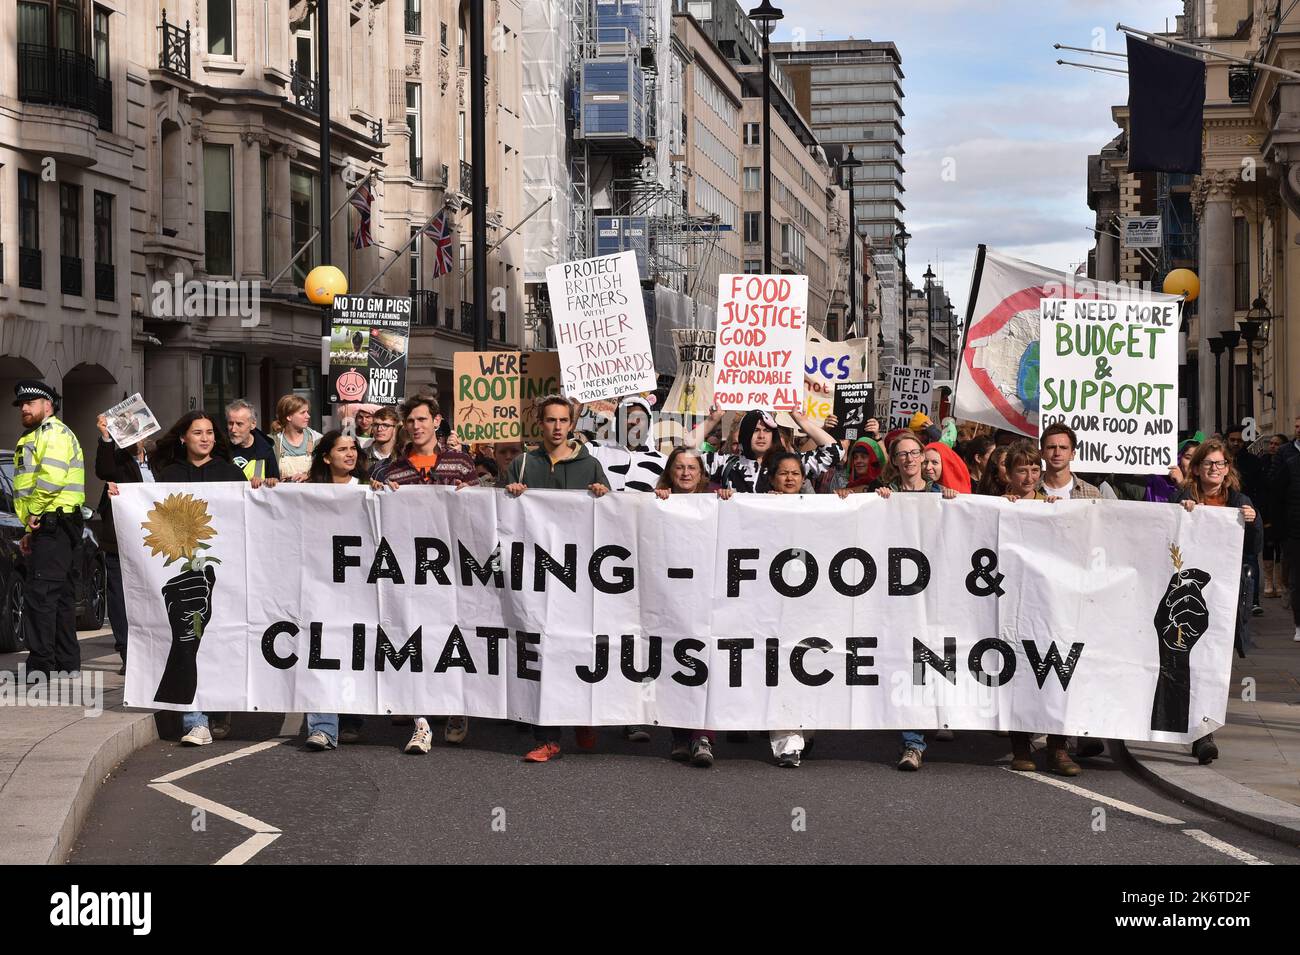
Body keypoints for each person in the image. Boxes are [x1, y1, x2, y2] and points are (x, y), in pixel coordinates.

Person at [503, 395, 611, 763]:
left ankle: (582, 717)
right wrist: (510, 495)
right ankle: (546, 736)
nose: (557, 427)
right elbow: (498, 518)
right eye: (550, 420)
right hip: (535, 577)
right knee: (540, 651)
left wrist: (603, 495)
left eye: (563, 420)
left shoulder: (590, 465)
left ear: (572, 423)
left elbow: (611, 519)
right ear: (541, 425)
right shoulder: (521, 465)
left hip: (580, 577)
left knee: (578, 647)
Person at [372, 394, 478, 752]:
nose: (415, 427)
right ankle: (421, 722)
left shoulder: (462, 464)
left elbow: (482, 515)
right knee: (414, 638)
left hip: (454, 571)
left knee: (451, 639)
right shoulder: (394, 471)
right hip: (411, 571)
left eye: (421, 420)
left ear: (437, 421)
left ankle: (456, 706)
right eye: (410, 421)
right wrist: (379, 495)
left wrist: (472, 493)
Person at [152, 411, 261, 746]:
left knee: (219, 639)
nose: (205, 438)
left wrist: (260, 488)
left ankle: (218, 708)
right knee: (189, 635)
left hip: (224, 570)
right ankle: (195, 719)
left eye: (210, 432)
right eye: (197, 432)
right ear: (183, 437)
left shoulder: (230, 472)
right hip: (182, 570)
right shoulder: (168, 474)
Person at [998, 440, 1088, 777]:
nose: (1030, 476)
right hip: (1012, 605)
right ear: (1009, 473)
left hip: (1050, 605)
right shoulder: (998, 505)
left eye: (1035, 469)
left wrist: (1053, 515)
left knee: (1055, 672)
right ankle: (1020, 747)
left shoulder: (1050, 506)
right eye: (1022, 470)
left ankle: (1058, 748)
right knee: (1019, 671)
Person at [1175, 439, 1262, 763]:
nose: (1215, 469)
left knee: (1214, 665)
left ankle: (1204, 728)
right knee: (1194, 665)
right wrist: (1181, 515)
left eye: (1220, 463)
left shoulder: (1240, 502)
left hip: (1224, 598)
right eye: (1208, 463)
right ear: (1196, 468)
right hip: (1190, 598)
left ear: (1228, 469)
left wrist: (1252, 522)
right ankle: (1202, 735)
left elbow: (1253, 550)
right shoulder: (1184, 498)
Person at [654, 446, 733, 767]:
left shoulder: (717, 500)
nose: (686, 473)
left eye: (692, 468)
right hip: (672, 596)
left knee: (708, 662)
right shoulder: (657, 501)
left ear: (702, 474)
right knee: (678, 661)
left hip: (709, 596)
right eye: (679, 468)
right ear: (670, 472)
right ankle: (679, 735)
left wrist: (731, 500)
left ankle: (703, 736)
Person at [12, 380, 86, 679]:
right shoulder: (40, 434)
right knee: (60, 597)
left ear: (48, 405)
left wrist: (33, 513)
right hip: (55, 525)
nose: (25, 409)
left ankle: (42, 666)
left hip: (53, 523)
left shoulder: (52, 433)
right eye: (21, 405)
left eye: (30, 403)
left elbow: (51, 479)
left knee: (41, 597)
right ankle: (65, 663)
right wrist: (31, 527)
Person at [304, 431, 369, 751]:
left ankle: (352, 717)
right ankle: (323, 726)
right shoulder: (308, 491)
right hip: (320, 584)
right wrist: (269, 487)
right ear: (326, 457)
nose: (350, 454)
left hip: (359, 585)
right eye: (342, 449)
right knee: (322, 650)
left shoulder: (370, 489)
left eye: (353, 448)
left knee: (355, 649)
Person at [764, 451, 817, 767]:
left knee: (809, 664)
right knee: (781, 667)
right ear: (772, 478)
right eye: (783, 473)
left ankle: (806, 732)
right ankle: (787, 743)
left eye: (795, 473)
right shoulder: (758, 505)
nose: (789, 479)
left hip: (813, 603)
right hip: (774, 603)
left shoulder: (819, 508)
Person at [94, 413, 158, 675]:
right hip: (121, 537)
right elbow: (104, 471)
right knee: (120, 596)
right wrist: (106, 437)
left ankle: (154, 648)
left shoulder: (158, 460)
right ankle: (128, 652)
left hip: (154, 539)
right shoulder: (117, 460)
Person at [685, 406, 840, 493]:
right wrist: (712, 420)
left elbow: (835, 452)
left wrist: (801, 421)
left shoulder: (788, 464)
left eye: (767, 431)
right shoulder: (726, 463)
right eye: (755, 430)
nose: (761, 436)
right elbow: (687, 453)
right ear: (745, 434)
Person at [1226, 424, 1265, 615]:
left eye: (1239, 440)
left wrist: (1257, 513)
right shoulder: (1223, 460)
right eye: (1232, 440)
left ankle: (1253, 599)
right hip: (1225, 514)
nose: (1235, 443)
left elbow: (1261, 488)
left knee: (1250, 557)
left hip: (1247, 512)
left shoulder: (1252, 462)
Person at [1269, 415, 1300, 639]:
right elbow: (1275, 489)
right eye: (1296, 425)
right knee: (1296, 578)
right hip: (1294, 527)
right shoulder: (1286, 455)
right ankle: (1299, 624)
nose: (1298, 429)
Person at [1039, 422, 1101, 499]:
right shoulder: (1027, 492)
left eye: (1063, 448)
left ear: (1072, 454)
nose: (1057, 453)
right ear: (1041, 453)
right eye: (1051, 447)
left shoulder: (1092, 494)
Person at [225, 399, 280, 481]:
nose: (233, 429)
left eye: (239, 424)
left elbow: (274, 483)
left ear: (253, 424)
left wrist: (270, 482)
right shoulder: (220, 448)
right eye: (230, 423)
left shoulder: (265, 450)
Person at [270, 395, 322, 481]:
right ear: (289, 417)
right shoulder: (272, 442)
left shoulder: (317, 440)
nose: (308, 416)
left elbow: (325, 472)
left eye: (307, 412)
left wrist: (309, 476)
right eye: (303, 412)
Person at [1144, 435, 1201, 504]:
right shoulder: (1156, 482)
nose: (1192, 463)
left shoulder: (1206, 485)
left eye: (1197, 459)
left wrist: (1181, 484)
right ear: (1178, 459)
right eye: (1188, 458)